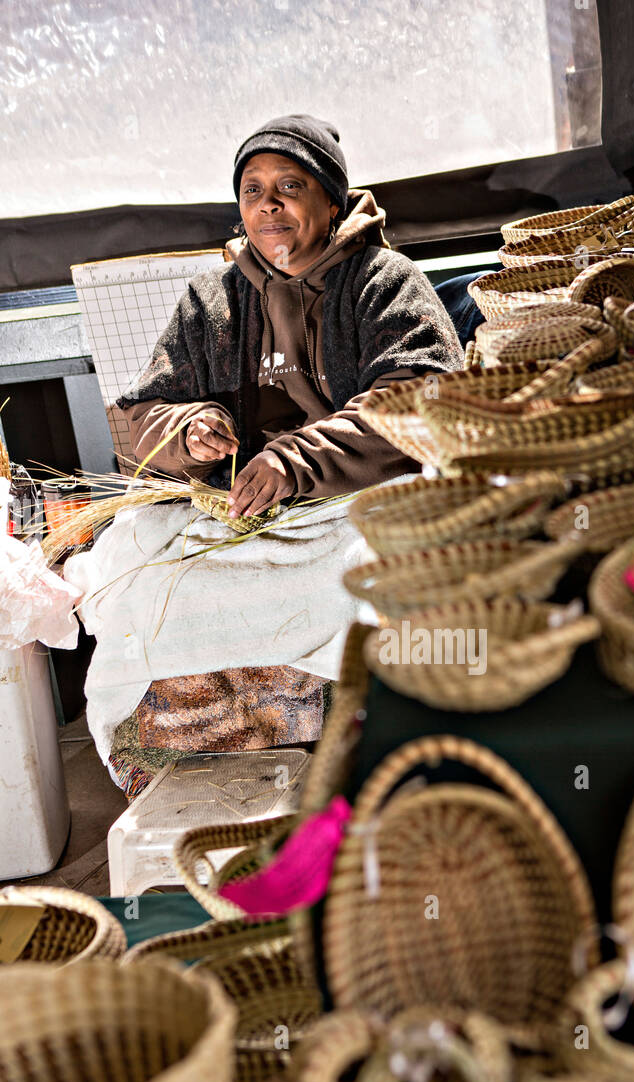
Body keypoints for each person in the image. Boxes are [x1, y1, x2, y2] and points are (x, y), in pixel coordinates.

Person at [104, 114, 465, 794]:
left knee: (363, 578)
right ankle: (200, 770)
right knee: (140, 573)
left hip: (356, 499)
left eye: (289, 186)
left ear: (331, 200)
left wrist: (294, 462)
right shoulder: (213, 300)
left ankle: (361, 766)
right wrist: (190, 431)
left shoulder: (384, 281)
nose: (267, 204)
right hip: (242, 508)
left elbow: (421, 397)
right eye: (252, 189)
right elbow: (141, 419)